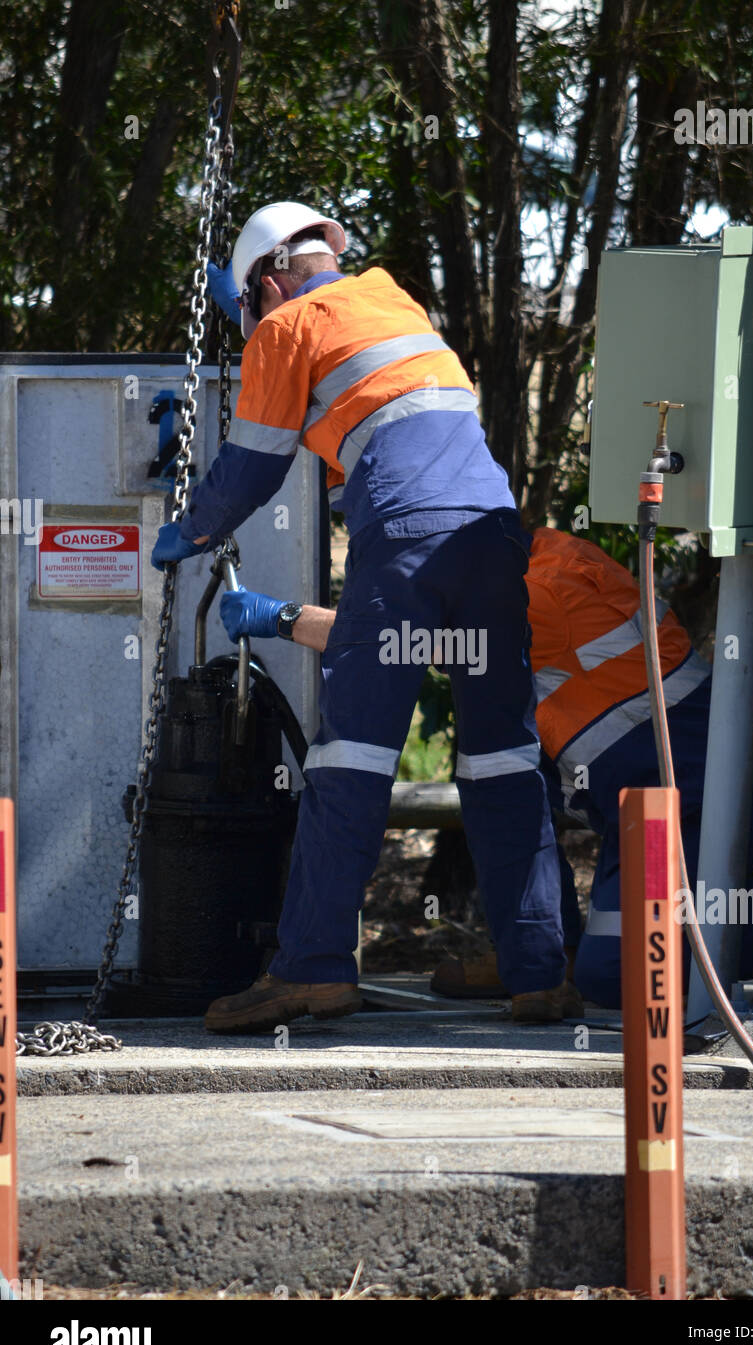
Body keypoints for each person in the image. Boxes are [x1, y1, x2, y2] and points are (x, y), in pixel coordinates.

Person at [151, 200, 577, 1031]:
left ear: (268, 281)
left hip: (405, 536)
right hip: (492, 537)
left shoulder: (285, 326)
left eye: (248, 306)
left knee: (349, 758)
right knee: (503, 758)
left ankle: (311, 968)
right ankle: (537, 972)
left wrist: (190, 529)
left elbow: (251, 467)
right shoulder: (391, 298)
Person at [224, 526, 753, 1009]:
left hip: (688, 808)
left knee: (619, 978)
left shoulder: (545, 592)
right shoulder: (541, 556)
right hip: (643, 808)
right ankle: (547, 951)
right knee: (508, 772)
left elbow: (396, 643)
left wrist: (285, 618)